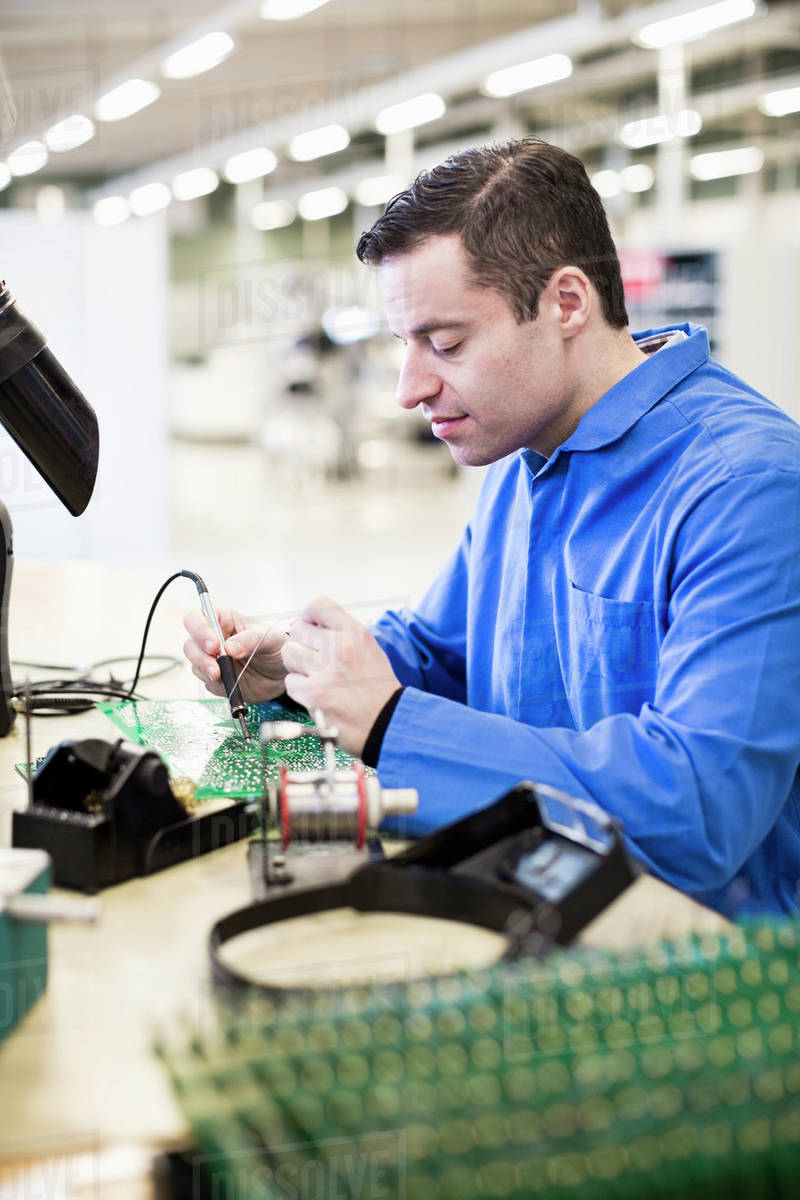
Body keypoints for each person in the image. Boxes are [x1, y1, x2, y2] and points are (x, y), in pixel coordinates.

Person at [184, 138, 800, 920]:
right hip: (538, 899)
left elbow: (700, 809)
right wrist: (299, 674)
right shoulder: (524, 455)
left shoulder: (746, 486)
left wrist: (390, 722)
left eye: (446, 344)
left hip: (707, 959)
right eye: (404, 347)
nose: (411, 388)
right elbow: (442, 654)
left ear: (567, 303)